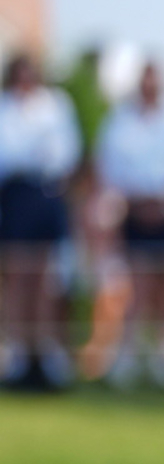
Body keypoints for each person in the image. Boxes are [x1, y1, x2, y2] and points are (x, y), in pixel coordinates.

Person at [96, 61, 164, 389]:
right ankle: (128, 352)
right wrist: (139, 203)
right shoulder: (120, 121)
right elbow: (109, 168)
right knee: (138, 287)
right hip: (135, 213)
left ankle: (163, 353)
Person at [0, 53, 81, 390]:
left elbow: (67, 152)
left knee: (46, 279)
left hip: (46, 196)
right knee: (17, 276)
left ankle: (46, 352)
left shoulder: (56, 105)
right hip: (14, 196)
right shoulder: (4, 107)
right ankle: (19, 352)